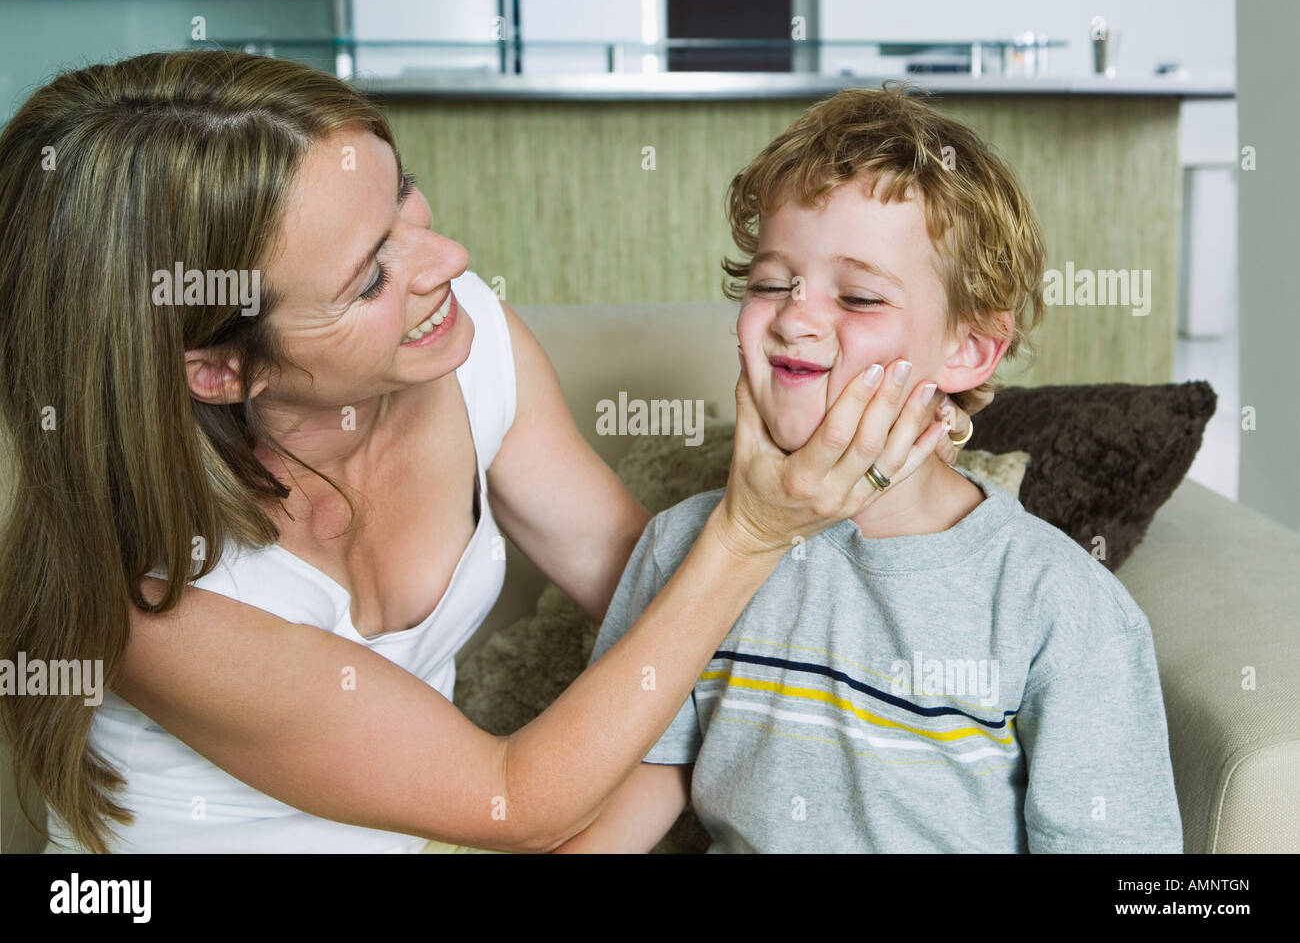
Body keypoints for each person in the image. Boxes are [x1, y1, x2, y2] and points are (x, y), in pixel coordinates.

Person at [0, 52, 971, 854]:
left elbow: (646, 595)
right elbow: (516, 797)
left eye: (405, 200)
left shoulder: (466, 341)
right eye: (371, 273)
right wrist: (751, 530)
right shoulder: (158, 602)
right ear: (217, 370)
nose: (449, 260)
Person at [560, 85, 1183, 853]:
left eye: (857, 295)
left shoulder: (1056, 605)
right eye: (768, 282)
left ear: (971, 349)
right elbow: (601, 828)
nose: (795, 316)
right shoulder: (685, 549)